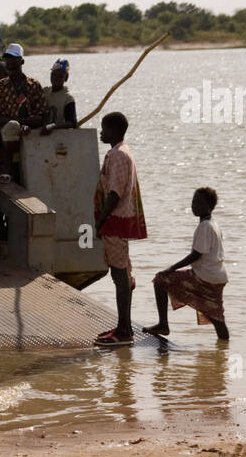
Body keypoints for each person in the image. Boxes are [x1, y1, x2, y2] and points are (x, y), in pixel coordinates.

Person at [93, 112, 147, 346]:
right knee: (122, 272)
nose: (101, 132)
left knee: (119, 275)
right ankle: (123, 326)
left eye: (104, 129)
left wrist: (100, 220)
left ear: (114, 130)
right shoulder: (122, 152)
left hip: (115, 220)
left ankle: (124, 331)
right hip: (118, 221)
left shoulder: (117, 155)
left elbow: (114, 193)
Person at [146, 188, 229, 340]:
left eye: (199, 202)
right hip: (218, 277)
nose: (194, 205)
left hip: (204, 276)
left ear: (209, 206)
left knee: (160, 280)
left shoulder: (205, 226)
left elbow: (196, 255)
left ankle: (163, 324)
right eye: (193, 202)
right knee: (217, 317)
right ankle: (224, 348)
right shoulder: (213, 224)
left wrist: (172, 268)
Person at [0, 44, 45, 180]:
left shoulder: (34, 85)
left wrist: (27, 124)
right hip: (6, 130)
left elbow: (41, 115)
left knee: (19, 126)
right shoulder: (1, 86)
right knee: (12, 126)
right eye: (7, 58)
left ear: (21, 61)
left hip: (29, 129)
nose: (10, 62)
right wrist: (20, 123)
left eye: (13, 58)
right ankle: (8, 169)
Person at [42, 58, 78, 133]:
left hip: (58, 136)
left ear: (66, 78)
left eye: (60, 76)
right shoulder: (44, 92)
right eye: (54, 74)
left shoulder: (68, 98)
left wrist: (53, 126)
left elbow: (72, 123)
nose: (56, 78)